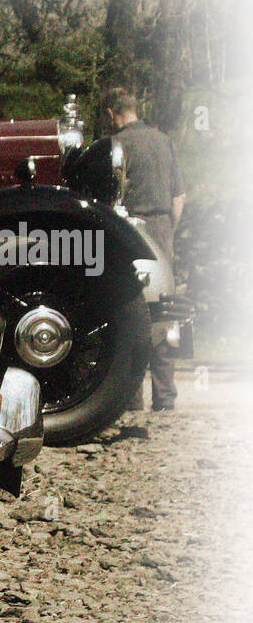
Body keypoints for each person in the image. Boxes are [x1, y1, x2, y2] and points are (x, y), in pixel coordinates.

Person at [107, 87, 187, 412]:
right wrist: (166, 233)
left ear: (112, 113)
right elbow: (180, 198)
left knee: (132, 309)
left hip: (133, 229)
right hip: (164, 227)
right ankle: (165, 397)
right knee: (163, 311)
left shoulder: (116, 144)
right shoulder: (163, 140)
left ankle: (130, 397)